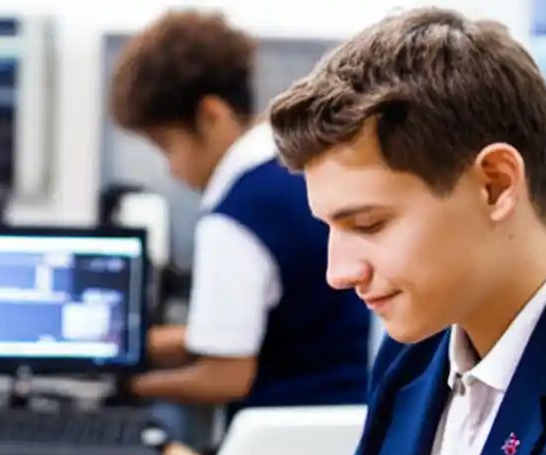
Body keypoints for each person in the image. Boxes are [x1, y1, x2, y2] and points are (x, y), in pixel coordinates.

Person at [29, 9, 546, 455]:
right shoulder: (421, 353)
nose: (339, 270)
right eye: (329, 230)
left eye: (368, 224)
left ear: (495, 184)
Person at [109, 11, 371, 413]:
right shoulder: (299, 171)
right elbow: (278, 328)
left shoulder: (236, 216)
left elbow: (226, 376)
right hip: (347, 418)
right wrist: (155, 343)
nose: (171, 169)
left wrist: (130, 386)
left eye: (166, 145)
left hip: (277, 440)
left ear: (210, 115)